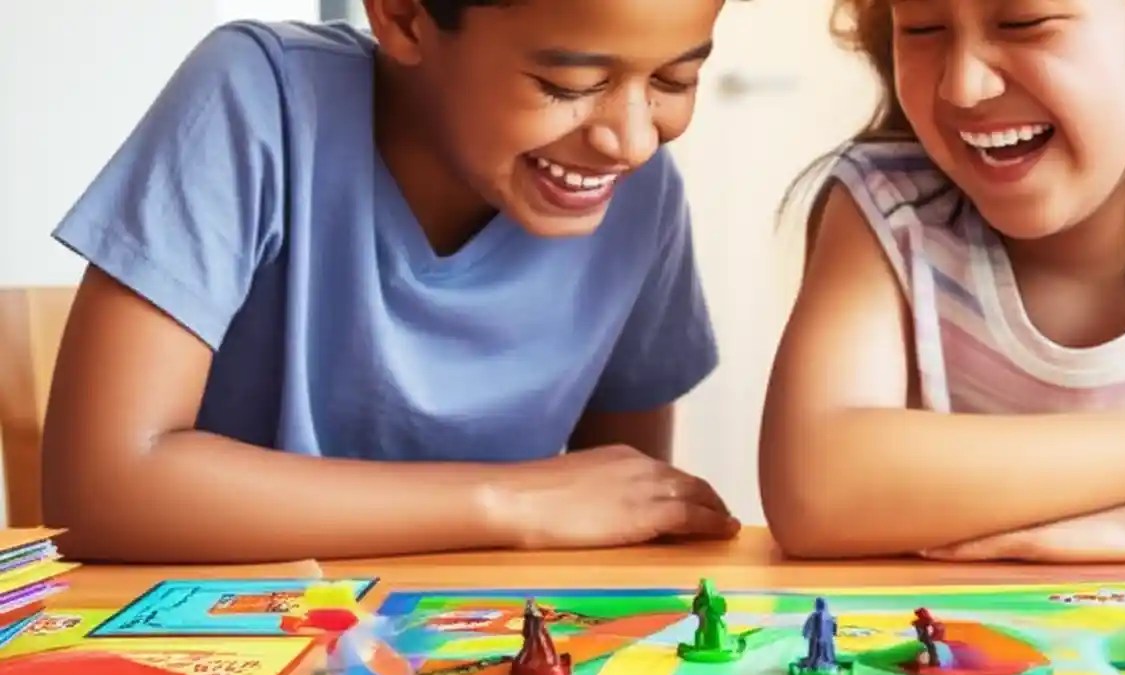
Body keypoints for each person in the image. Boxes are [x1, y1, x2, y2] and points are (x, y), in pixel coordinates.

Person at [40, 0, 740, 563]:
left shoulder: (635, 196)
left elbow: (628, 507)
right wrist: (510, 500)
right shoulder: (260, 98)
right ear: (404, 18)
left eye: (674, 81)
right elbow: (101, 491)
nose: (633, 140)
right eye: (571, 86)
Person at [760, 0, 1125, 563]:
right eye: (922, 29)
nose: (963, 86)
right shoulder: (893, 207)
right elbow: (818, 488)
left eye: (1023, 24)